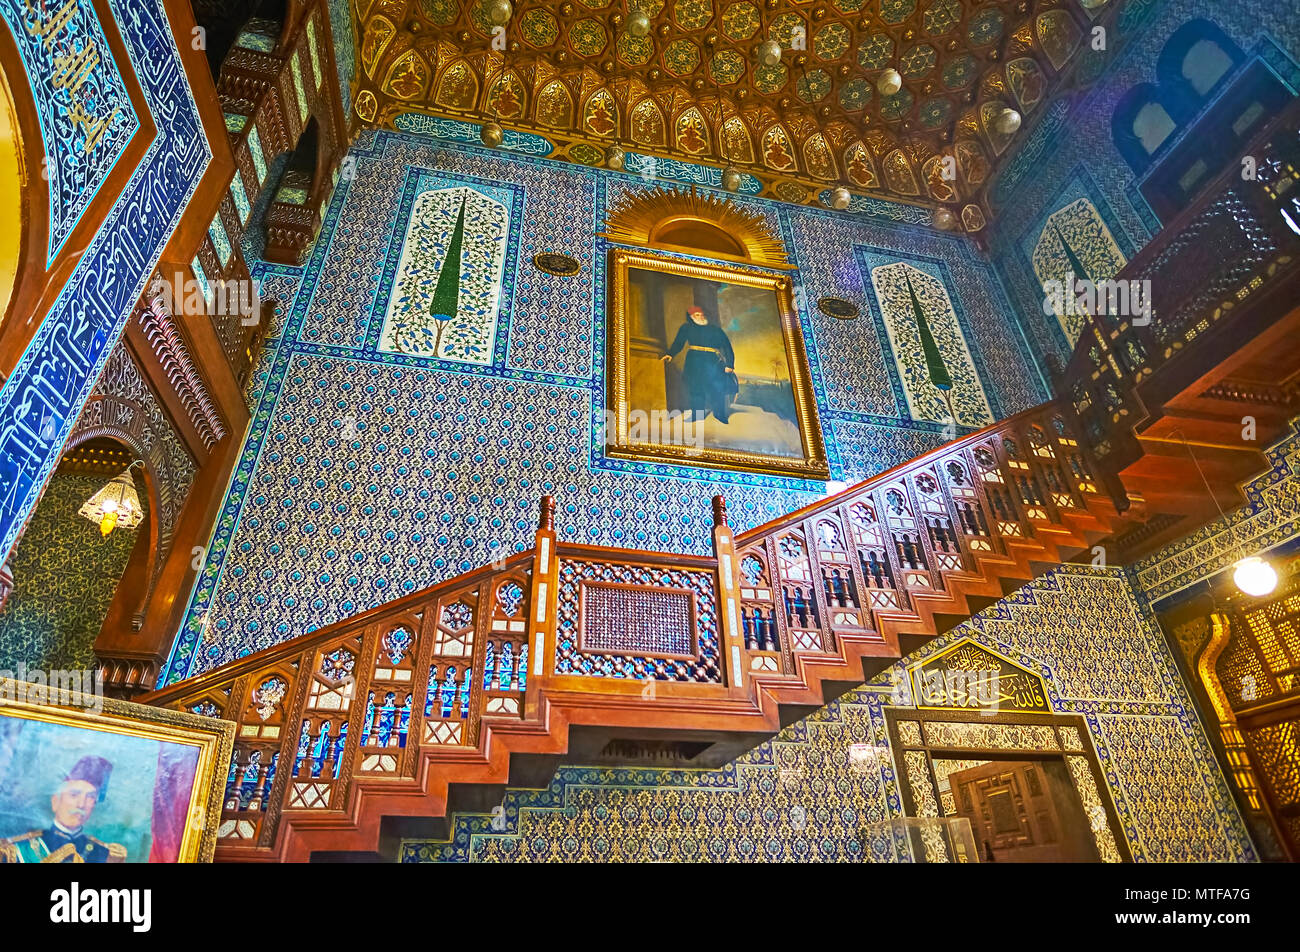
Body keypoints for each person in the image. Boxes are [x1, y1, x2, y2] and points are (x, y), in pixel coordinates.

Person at [0, 755, 126, 862]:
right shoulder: (17, 850)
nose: (81, 804)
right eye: (74, 795)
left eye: (90, 797)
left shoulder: (104, 854)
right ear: (55, 801)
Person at [660, 305, 739, 423]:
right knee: (695, 387)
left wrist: (729, 365)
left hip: (712, 361)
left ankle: (720, 415)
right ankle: (697, 415)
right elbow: (679, 343)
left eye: (701, 314)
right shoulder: (686, 328)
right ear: (691, 317)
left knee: (717, 388)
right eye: (697, 315)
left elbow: (727, 347)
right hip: (694, 361)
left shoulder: (715, 329)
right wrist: (670, 354)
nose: (700, 316)